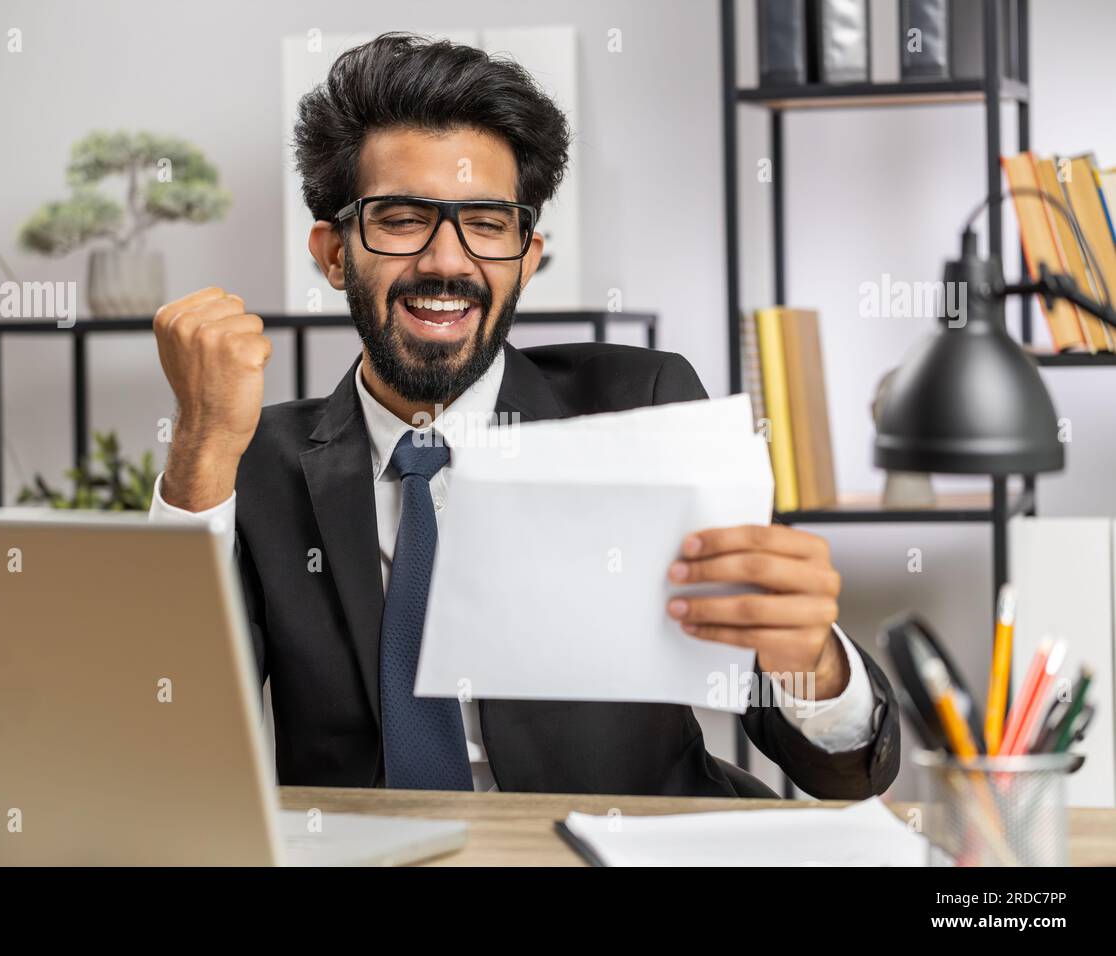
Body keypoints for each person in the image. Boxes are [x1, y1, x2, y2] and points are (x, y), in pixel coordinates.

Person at [149, 32, 898, 797]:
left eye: (487, 223)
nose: (447, 261)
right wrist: (202, 443)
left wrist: (808, 658)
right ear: (336, 254)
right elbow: (164, 752)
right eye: (403, 218)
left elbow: (835, 768)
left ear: (527, 257)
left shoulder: (639, 407)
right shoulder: (253, 461)